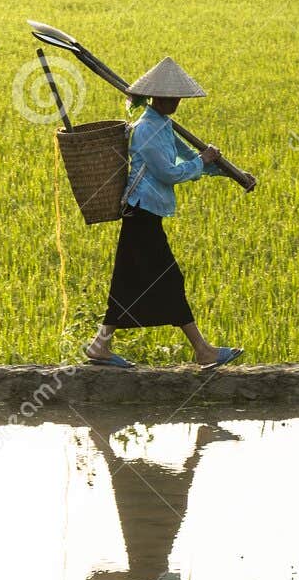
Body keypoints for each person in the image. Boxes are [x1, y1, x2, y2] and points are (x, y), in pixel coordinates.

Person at [83, 57, 242, 370]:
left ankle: (100, 345)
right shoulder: (145, 130)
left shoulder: (164, 126)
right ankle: (203, 351)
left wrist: (230, 172)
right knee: (168, 277)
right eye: (171, 98)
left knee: (128, 279)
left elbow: (190, 159)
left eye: (178, 98)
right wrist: (203, 160)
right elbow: (169, 172)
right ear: (157, 97)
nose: (176, 103)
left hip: (147, 214)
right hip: (140, 212)